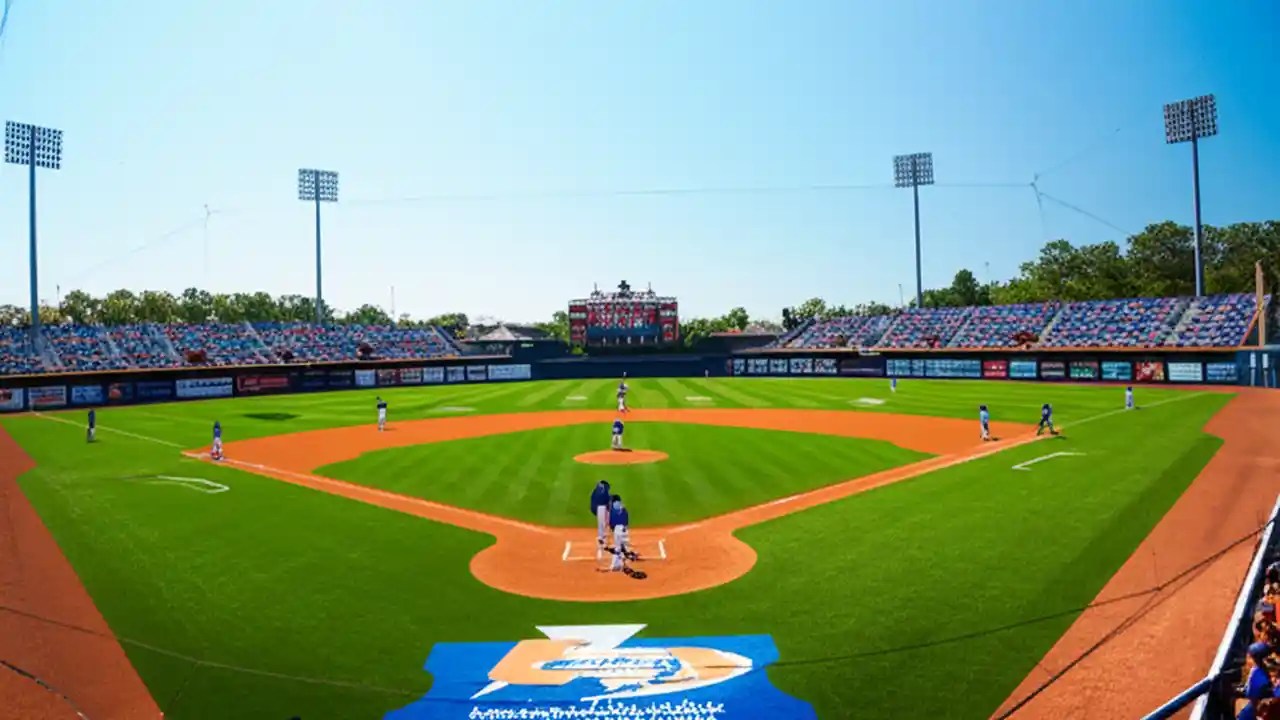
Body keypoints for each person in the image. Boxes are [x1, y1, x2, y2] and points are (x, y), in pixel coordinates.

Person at [609, 494, 631, 572]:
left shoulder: (612, 508)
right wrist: (626, 527)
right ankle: (624, 564)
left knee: (618, 548)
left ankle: (615, 565)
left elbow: (611, 520)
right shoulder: (623, 508)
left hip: (617, 530)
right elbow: (626, 518)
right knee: (625, 547)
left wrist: (612, 528)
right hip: (624, 529)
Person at [590, 480, 612, 556]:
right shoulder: (604, 490)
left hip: (598, 508)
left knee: (601, 524)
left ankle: (601, 538)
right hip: (603, 508)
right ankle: (603, 541)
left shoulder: (596, 490)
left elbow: (592, 500)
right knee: (604, 524)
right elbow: (607, 500)